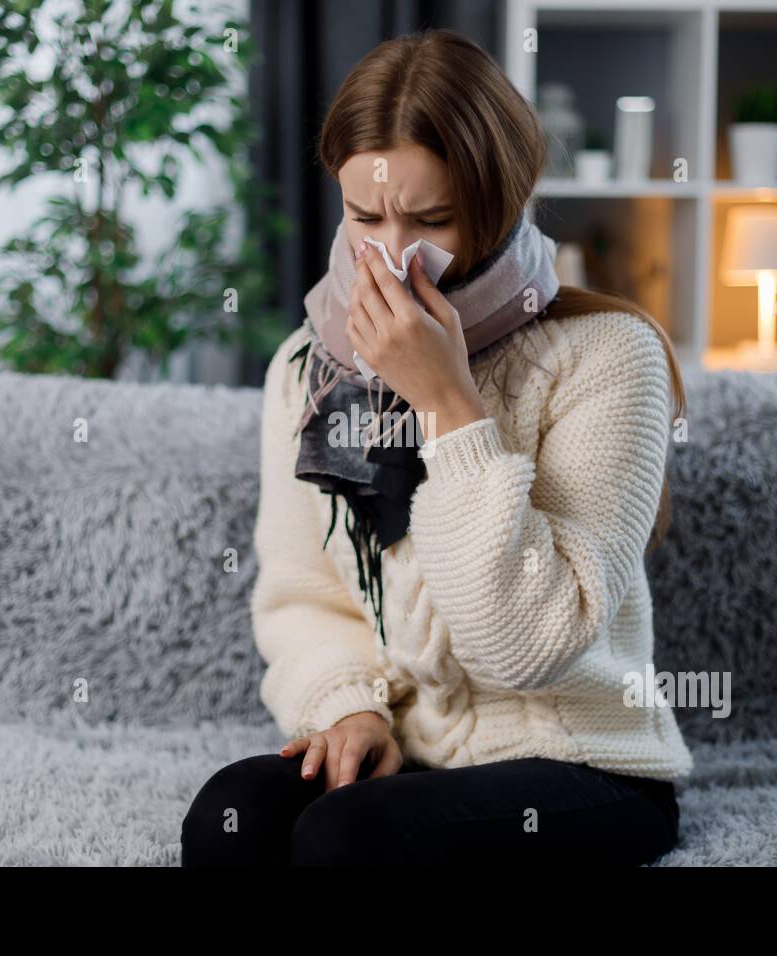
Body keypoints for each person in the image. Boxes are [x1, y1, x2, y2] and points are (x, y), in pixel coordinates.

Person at [181, 28, 693, 867]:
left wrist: (447, 402)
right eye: (363, 215)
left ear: (494, 206)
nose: (388, 250)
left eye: (431, 219)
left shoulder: (608, 355)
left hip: (581, 762)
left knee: (347, 839)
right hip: (407, 752)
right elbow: (303, 596)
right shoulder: (306, 371)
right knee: (227, 818)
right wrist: (351, 709)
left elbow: (529, 645)